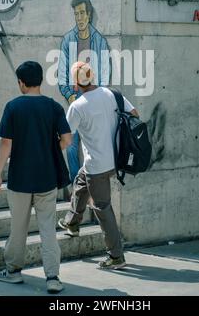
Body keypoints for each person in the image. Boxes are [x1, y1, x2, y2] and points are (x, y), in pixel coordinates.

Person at [0, 61, 72, 293]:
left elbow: (7, 143)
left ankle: (14, 272)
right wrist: (51, 149)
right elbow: (68, 140)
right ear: (40, 80)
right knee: (48, 228)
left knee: (18, 227)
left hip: (19, 179)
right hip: (47, 178)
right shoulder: (53, 107)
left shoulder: (13, 107)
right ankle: (53, 278)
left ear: (22, 82)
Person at [58, 61, 138, 270]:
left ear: (76, 84)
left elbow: (66, 138)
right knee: (81, 180)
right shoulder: (111, 94)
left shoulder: (78, 106)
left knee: (102, 208)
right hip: (116, 160)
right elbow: (135, 114)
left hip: (98, 166)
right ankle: (72, 223)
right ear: (92, 78)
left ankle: (116, 256)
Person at [58, 0, 110, 183]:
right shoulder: (68, 40)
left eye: (82, 13)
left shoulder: (100, 41)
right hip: (74, 97)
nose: (79, 18)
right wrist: (70, 96)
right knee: (71, 143)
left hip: (94, 95)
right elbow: (62, 75)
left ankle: (92, 180)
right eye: (76, 14)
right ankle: (75, 183)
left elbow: (104, 75)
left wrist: (94, 96)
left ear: (89, 15)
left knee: (94, 141)